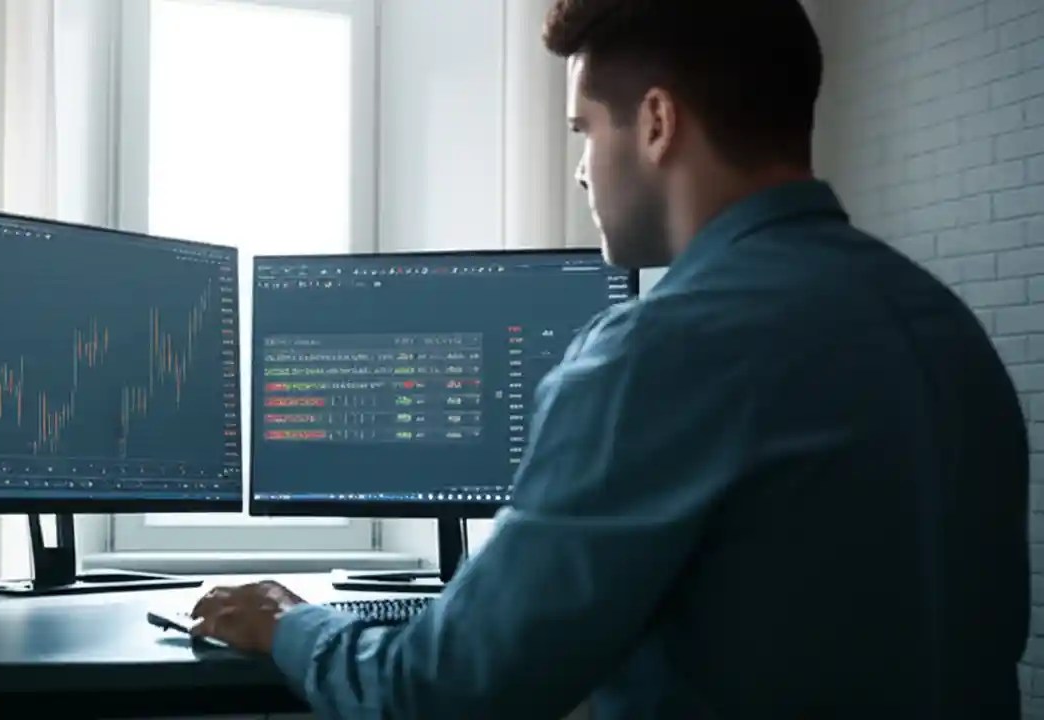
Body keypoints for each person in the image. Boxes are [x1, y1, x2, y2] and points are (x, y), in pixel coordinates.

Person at [190, 0, 1030, 717]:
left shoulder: (657, 351)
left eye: (583, 130)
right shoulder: (946, 328)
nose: (585, 172)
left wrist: (286, 621)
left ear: (658, 124)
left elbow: (444, 693)